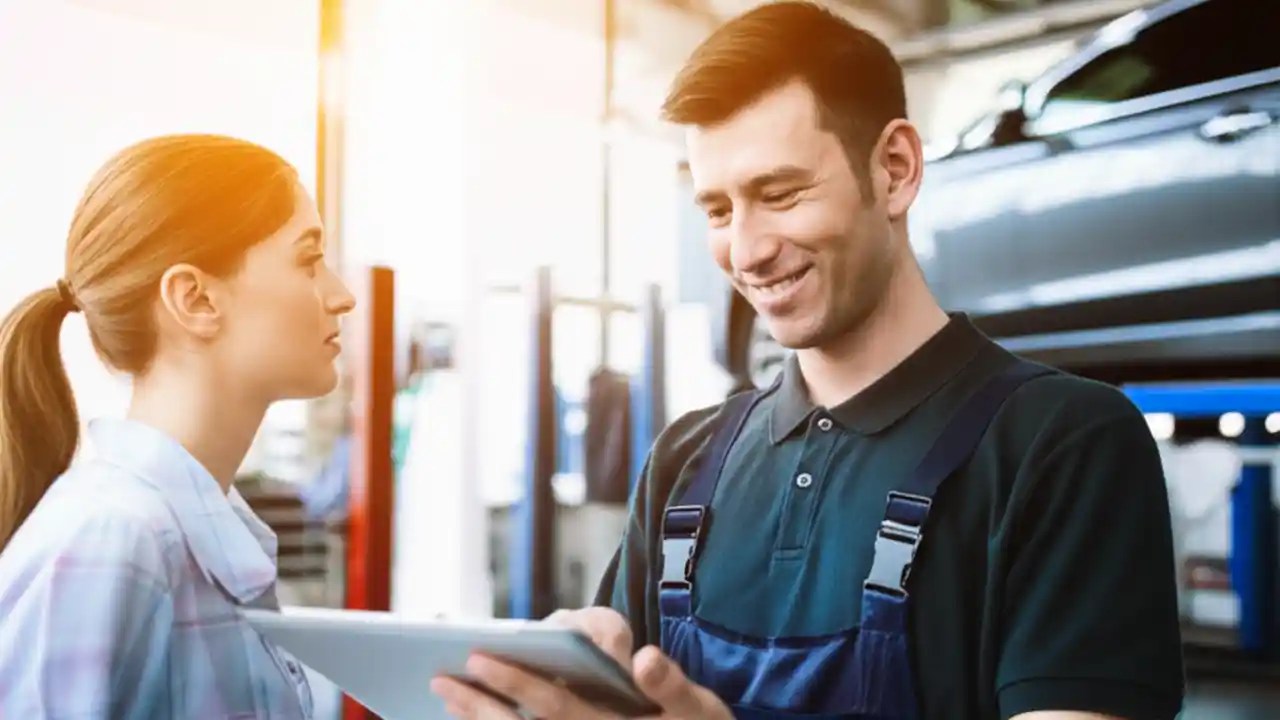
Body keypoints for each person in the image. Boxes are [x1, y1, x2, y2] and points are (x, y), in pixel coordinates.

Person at [433, 3, 1185, 719]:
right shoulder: (684, 463)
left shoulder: (1064, 446)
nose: (748, 249)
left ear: (894, 169)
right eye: (719, 210)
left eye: (780, 193)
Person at [0, 134, 356, 718]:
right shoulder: (114, 542)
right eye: (308, 261)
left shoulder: (194, 534)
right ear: (195, 299)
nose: (340, 296)